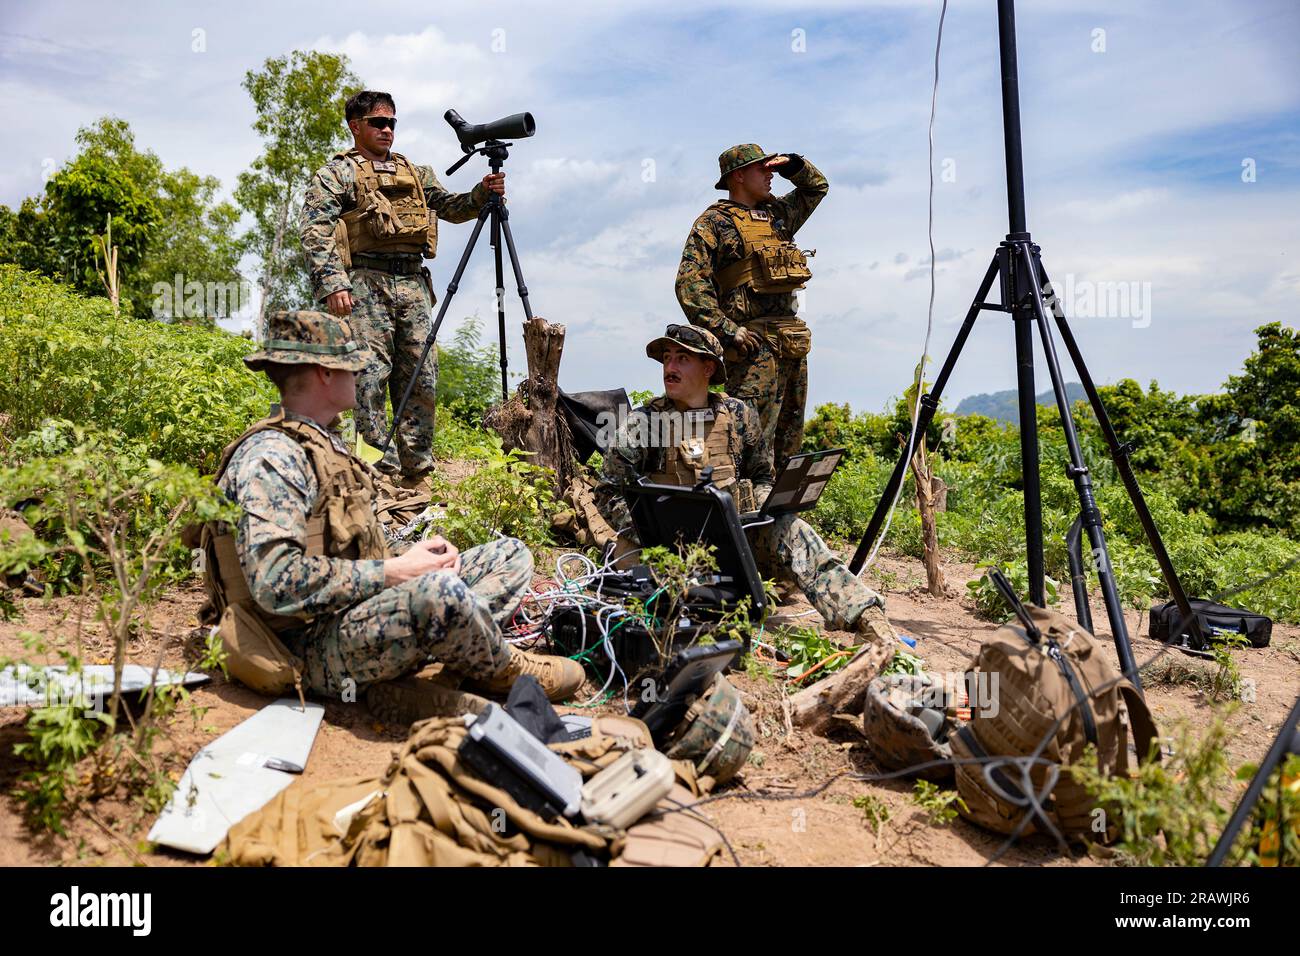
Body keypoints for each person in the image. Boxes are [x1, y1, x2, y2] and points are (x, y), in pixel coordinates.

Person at [208, 309, 584, 724]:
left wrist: (410, 554)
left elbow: (345, 544)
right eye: (351, 366)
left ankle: (432, 659)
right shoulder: (272, 458)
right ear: (323, 374)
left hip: (352, 612)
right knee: (439, 593)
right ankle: (499, 668)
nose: (361, 375)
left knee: (510, 556)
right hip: (304, 647)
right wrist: (395, 572)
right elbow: (275, 583)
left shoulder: (322, 442)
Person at [592, 324, 895, 644]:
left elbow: (762, 475)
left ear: (708, 368)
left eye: (682, 358)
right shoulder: (645, 422)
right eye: (667, 358)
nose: (670, 367)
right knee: (638, 582)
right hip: (668, 550)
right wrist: (651, 529)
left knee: (792, 528)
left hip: (736, 542)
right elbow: (607, 491)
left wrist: (765, 504)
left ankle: (868, 620)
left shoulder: (738, 415)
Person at [300, 90, 506, 486]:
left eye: (392, 122)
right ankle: (376, 469)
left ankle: (418, 470)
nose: (387, 130)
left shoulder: (414, 171)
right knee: (368, 379)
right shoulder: (338, 173)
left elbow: (452, 208)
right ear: (355, 126)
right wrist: (332, 283)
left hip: (412, 283)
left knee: (421, 376)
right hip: (363, 284)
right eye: (378, 122)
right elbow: (314, 228)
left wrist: (482, 193)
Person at [675, 144, 828, 470]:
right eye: (763, 168)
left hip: (791, 345)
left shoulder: (777, 216)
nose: (770, 173)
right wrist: (728, 331)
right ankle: (739, 512)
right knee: (748, 442)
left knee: (789, 441)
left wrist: (793, 164)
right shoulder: (715, 223)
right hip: (753, 350)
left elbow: (817, 187)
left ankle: (778, 516)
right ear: (739, 175)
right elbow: (689, 285)